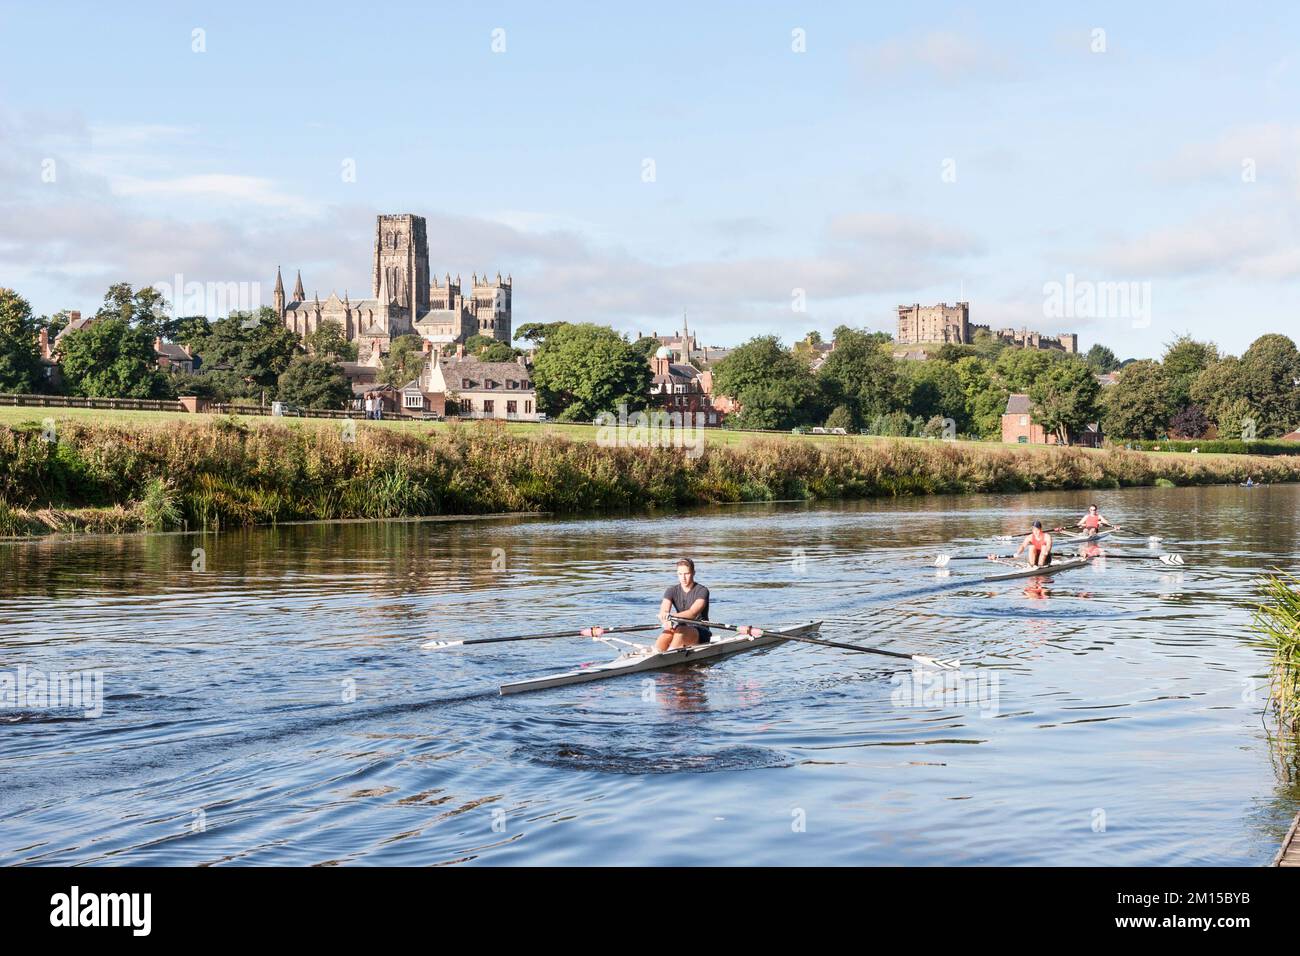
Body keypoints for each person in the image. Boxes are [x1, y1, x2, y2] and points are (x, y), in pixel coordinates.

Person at [656, 558, 711, 651]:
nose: (683, 578)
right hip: (680, 628)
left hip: (701, 631)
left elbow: (692, 613)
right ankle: (656, 651)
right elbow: (664, 610)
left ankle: (670, 653)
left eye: (687, 574)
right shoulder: (671, 591)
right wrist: (665, 620)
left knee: (680, 630)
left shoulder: (702, 591)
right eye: (680, 574)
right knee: (667, 633)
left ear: (693, 573)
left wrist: (670, 616)